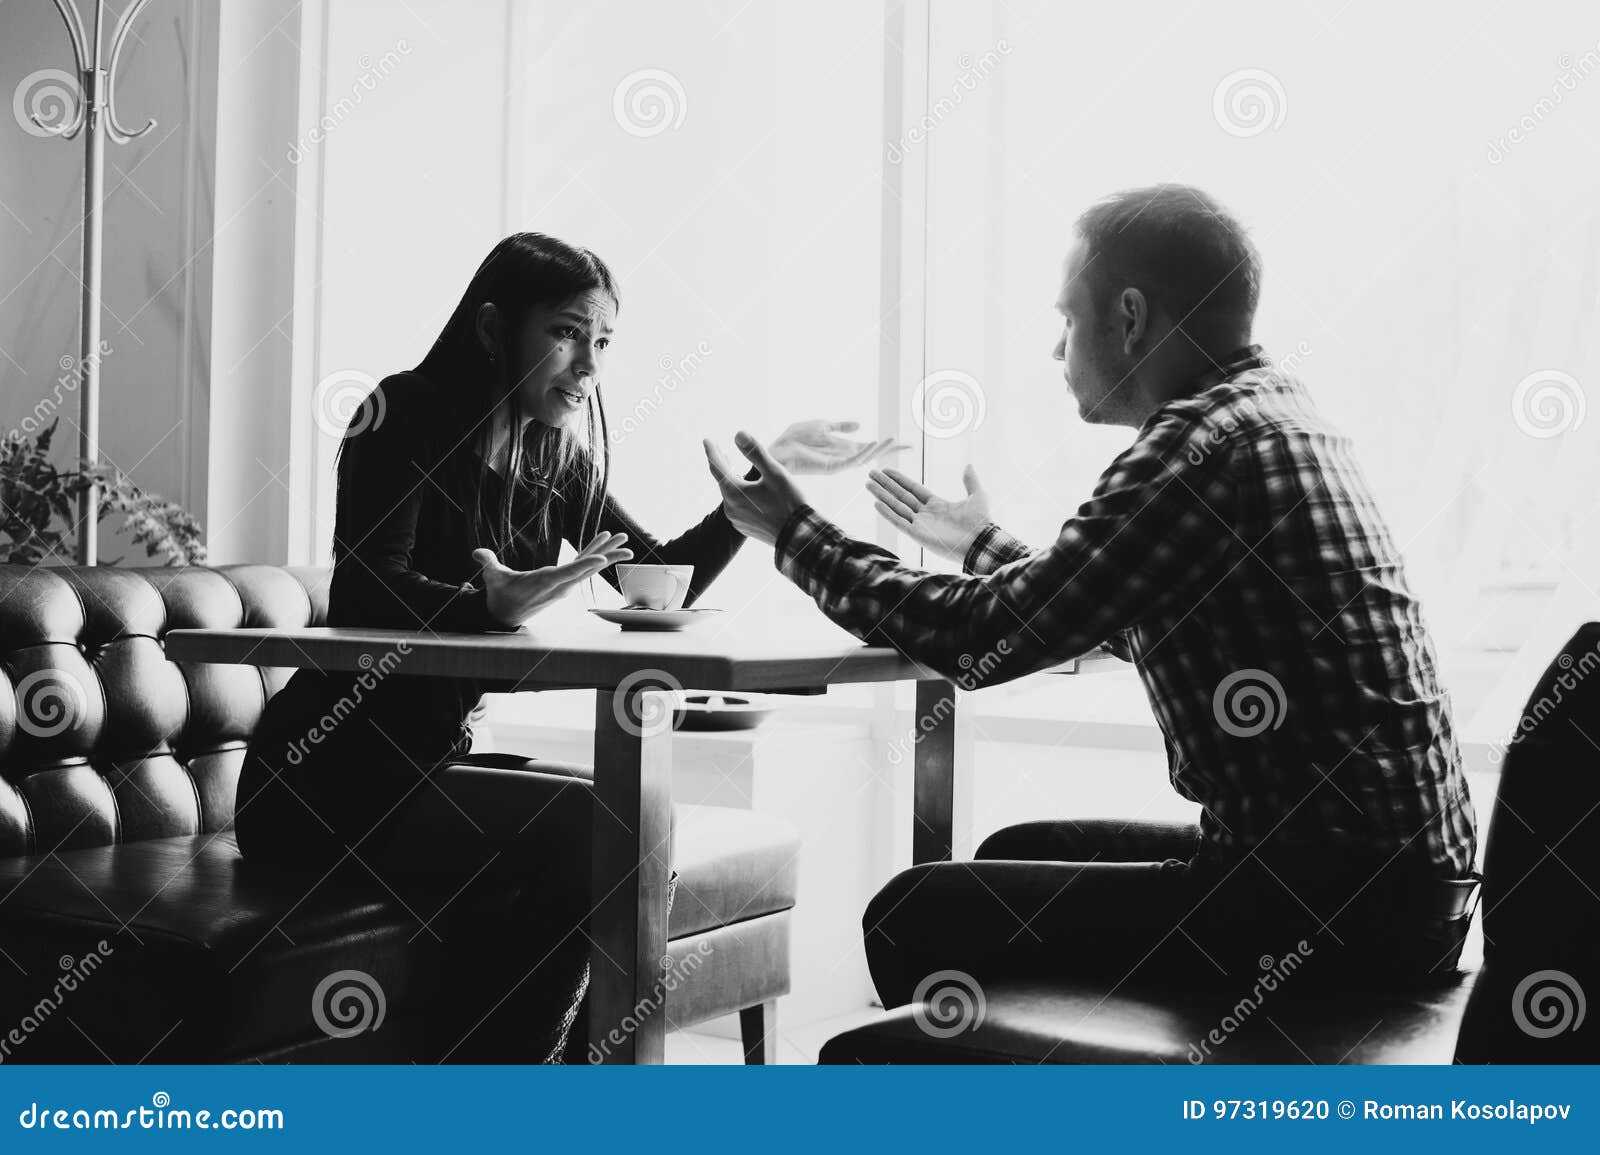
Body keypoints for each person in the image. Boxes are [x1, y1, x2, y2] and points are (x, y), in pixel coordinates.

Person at [704, 184, 1480, 1006]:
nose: (1057, 349)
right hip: (1406, 894)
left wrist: (794, 532)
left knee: (912, 913)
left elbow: (982, 638)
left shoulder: (1196, 446)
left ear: (1131, 316)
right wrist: (976, 545)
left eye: (1067, 320)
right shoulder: (1275, 415)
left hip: (1321, 912)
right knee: (1010, 851)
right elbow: (1113, 604)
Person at [235, 232, 900, 1061]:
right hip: (322, 779)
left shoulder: (559, 459)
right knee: (601, 829)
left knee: (618, 826)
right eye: (567, 331)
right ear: (491, 328)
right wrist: (487, 600)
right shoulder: (403, 412)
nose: (590, 363)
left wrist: (757, 497)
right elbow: (370, 589)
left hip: (426, 763)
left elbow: (655, 581)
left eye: (605, 341)